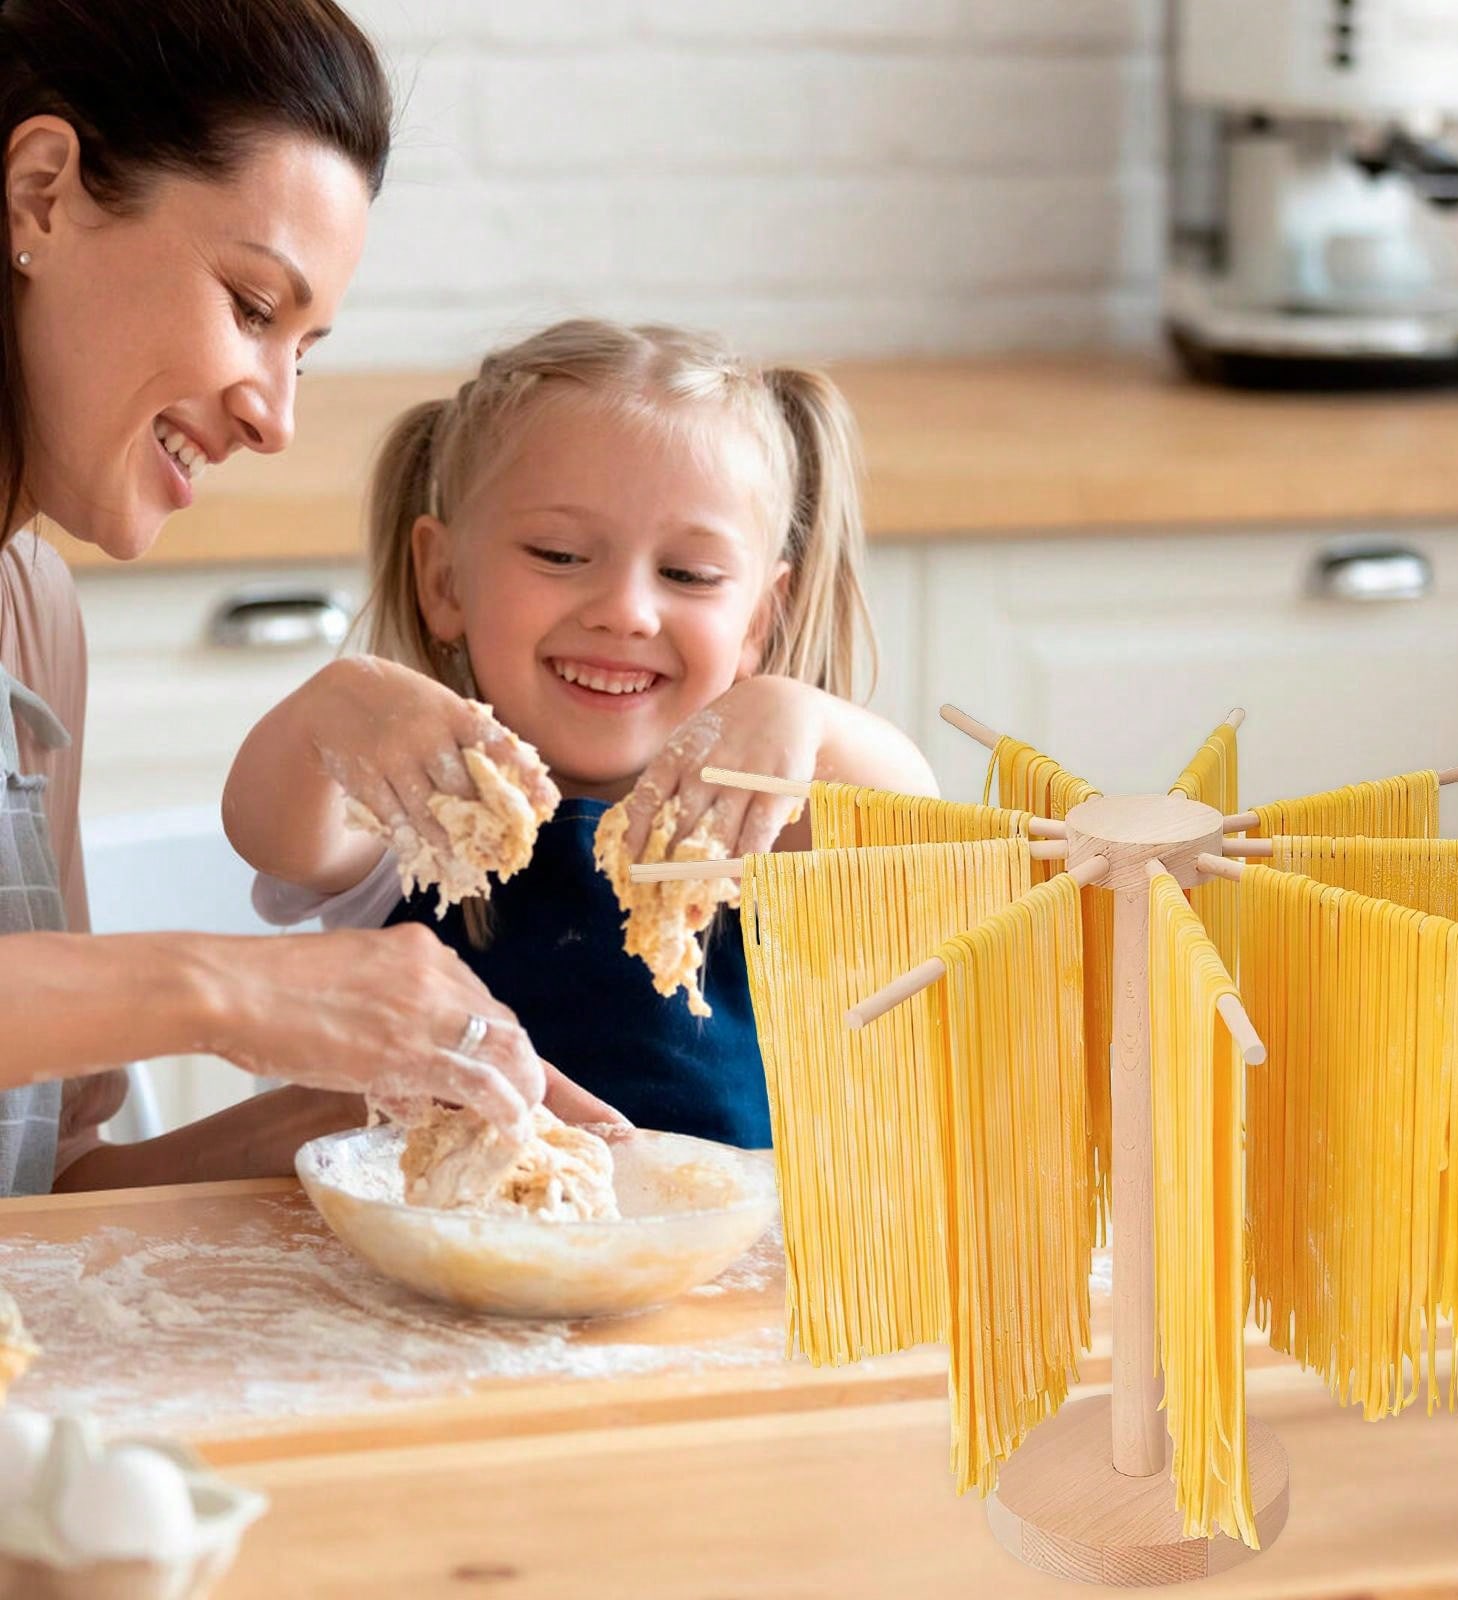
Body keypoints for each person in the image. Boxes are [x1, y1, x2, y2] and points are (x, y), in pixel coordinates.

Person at [0, 0, 585, 1199]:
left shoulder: (31, 615)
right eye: (253, 309)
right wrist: (236, 992)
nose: (275, 415)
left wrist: (338, 1117)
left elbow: (42, 1189)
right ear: (43, 193)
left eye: (303, 350)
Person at [224, 318, 938, 1147]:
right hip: (423, 1270)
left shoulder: (770, 832)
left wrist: (806, 721)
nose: (625, 612)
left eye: (688, 575)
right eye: (560, 555)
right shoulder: (418, 804)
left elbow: (911, 832)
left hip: (719, 1274)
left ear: (758, 621)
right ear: (444, 579)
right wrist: (334, 711)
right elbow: (271, 833)